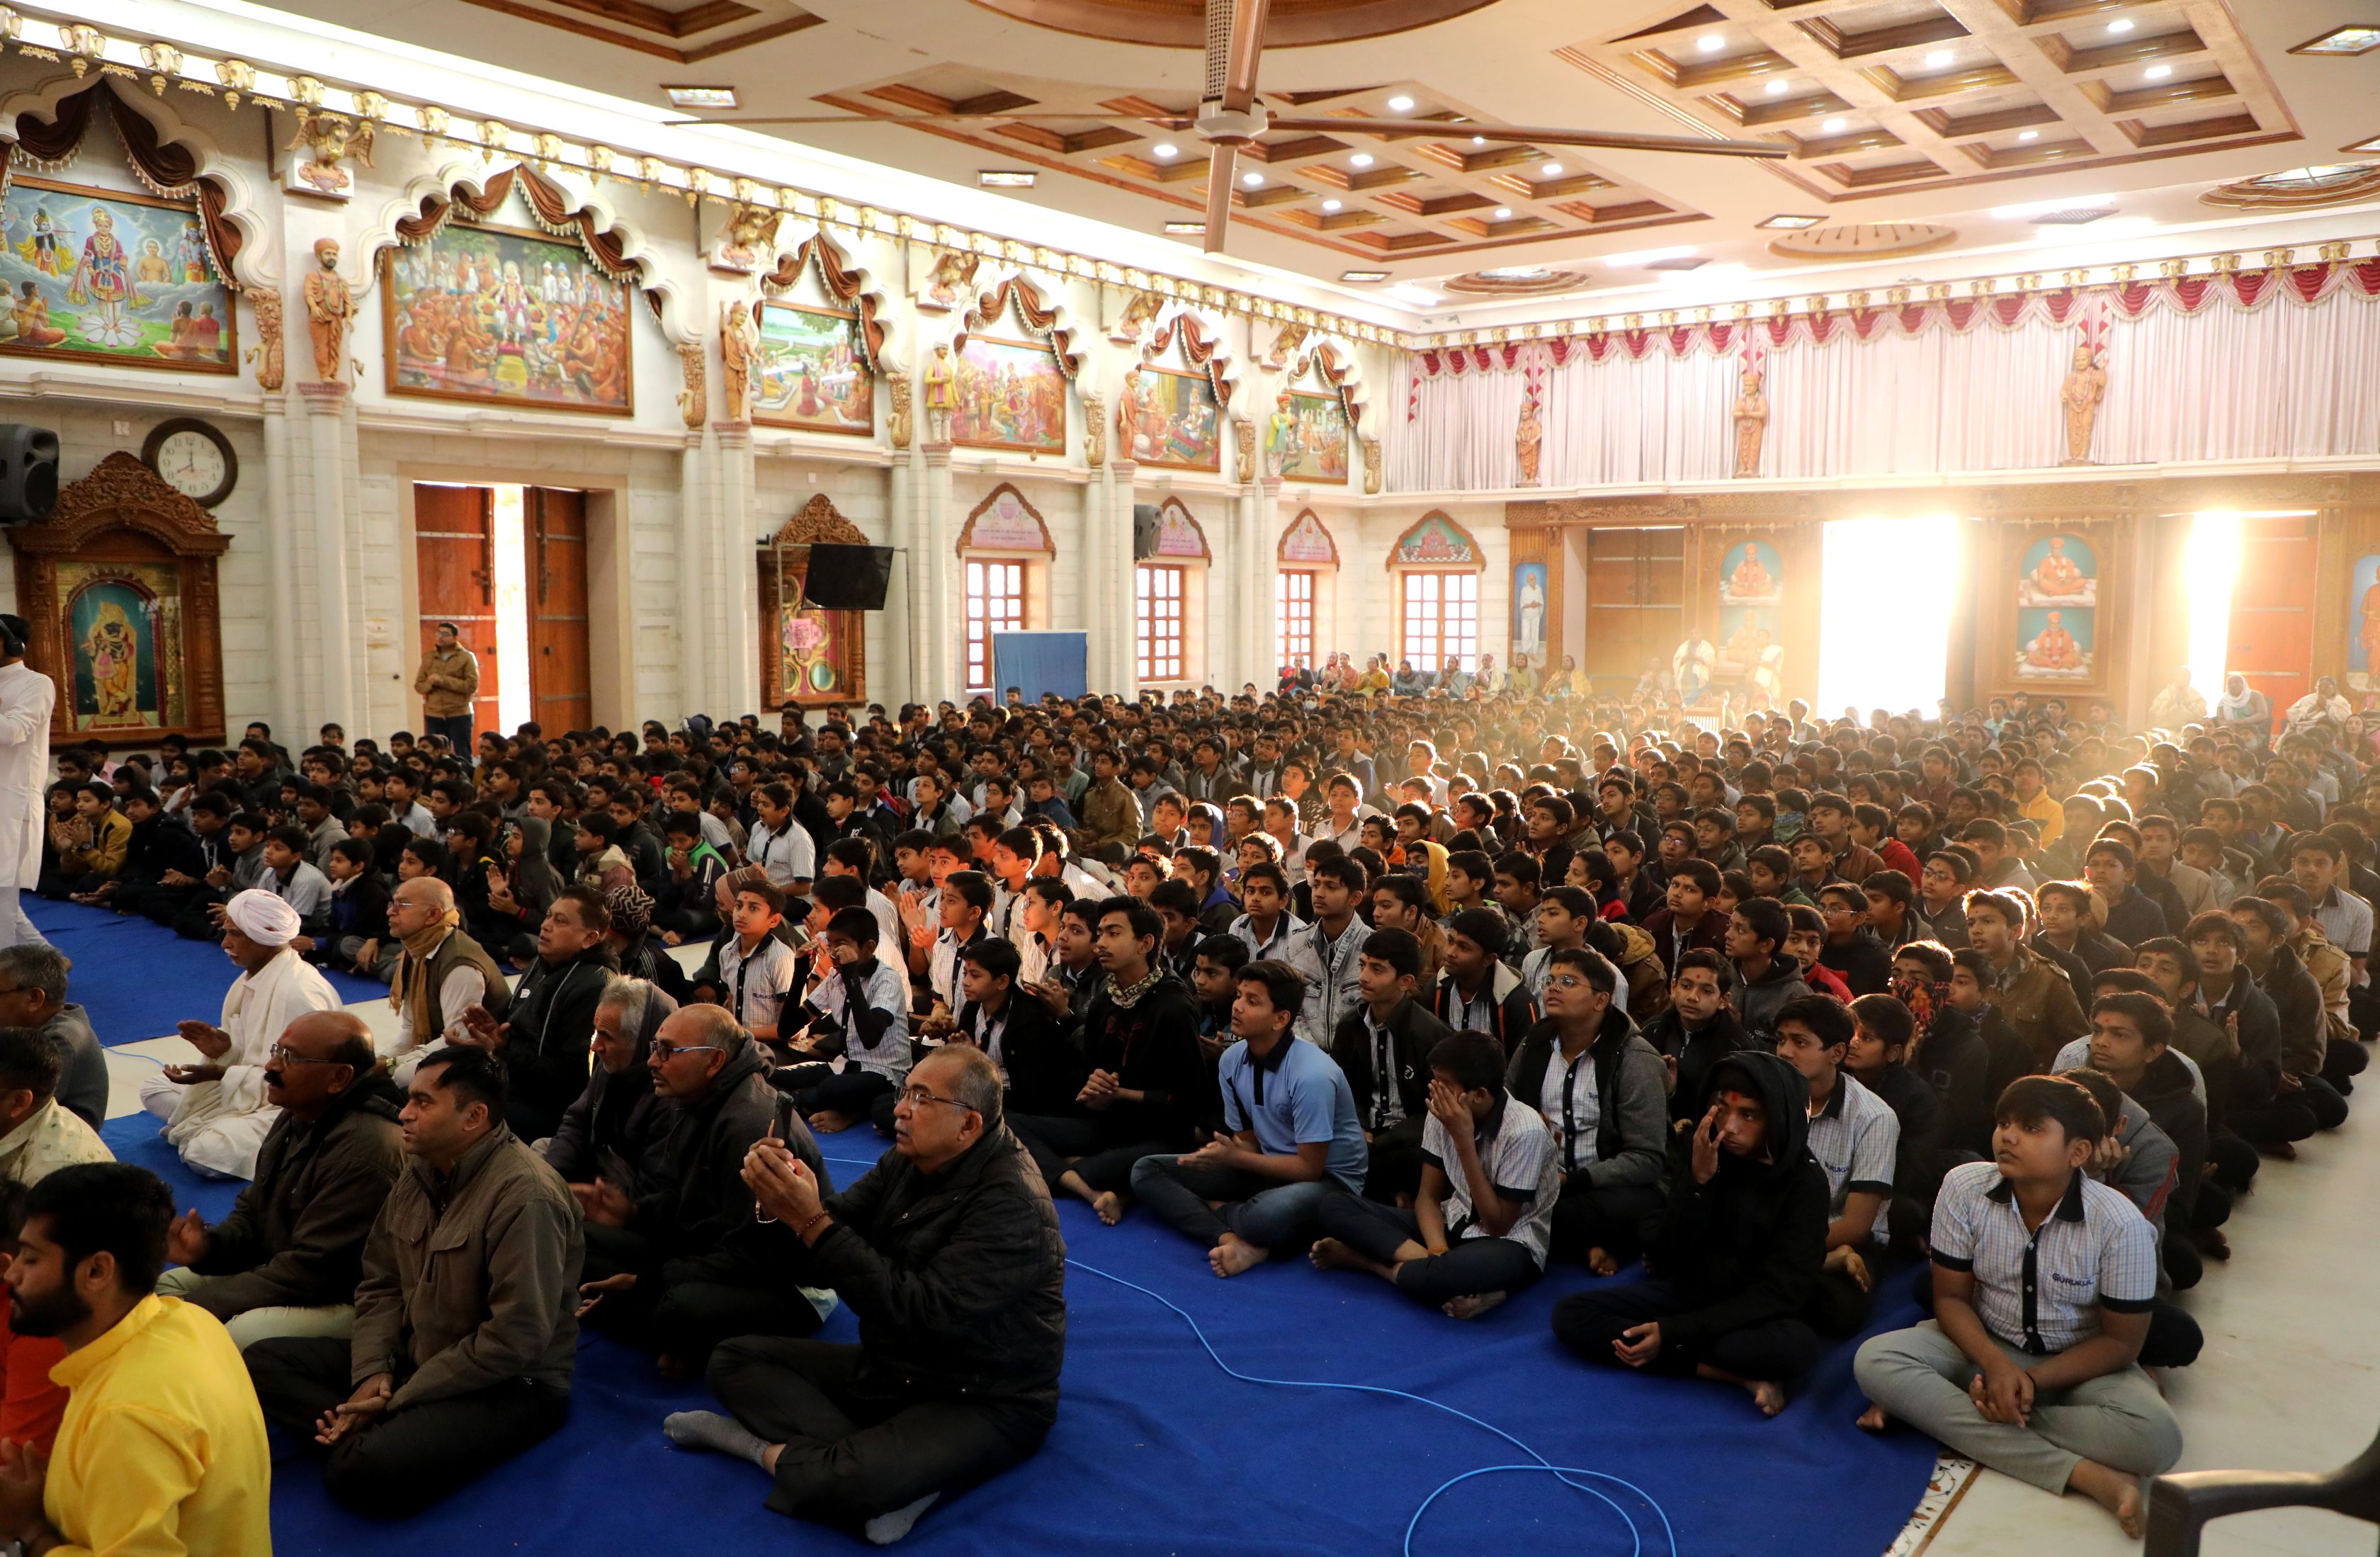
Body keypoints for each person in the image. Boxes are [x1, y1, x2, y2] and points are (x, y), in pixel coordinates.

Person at [669, 1046, 1064, 1546]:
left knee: (856, 1481)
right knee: (732, 1358)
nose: (900, 1108)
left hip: (983, 1392)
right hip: (897, 1364)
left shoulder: (1014, 1205)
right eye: (905, 1091)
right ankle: (887, 1471)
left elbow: (920, 1313)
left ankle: (756, 1449)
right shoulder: (909, 1160)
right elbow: (827, 1241)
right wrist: (785, 1202)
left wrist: (811, 1221)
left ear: (969, 1126)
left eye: (922, 1098)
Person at [245, 1044, 584, 1519]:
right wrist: (372, 1374)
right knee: (262, 1361)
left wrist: (399, 1398)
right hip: (413, 1355)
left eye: (423, 1103)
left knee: (359, 1474)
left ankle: (363, 1434)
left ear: (474, 1117)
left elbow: (515, 1340)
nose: (404, 1114)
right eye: (410, 1099)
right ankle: (364, 1428)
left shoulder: (526, 1198)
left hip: (508, 1384)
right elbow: (380, 1283)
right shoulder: (422, 1167)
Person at [1854, 1075, 2180, 1538]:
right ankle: (2087, 1475)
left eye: (2031, 1128)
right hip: (1982, 1343)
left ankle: (1962, 1405)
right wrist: (1995, 1364)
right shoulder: (1964, 1188)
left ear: (2079, 1152)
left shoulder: (2119, 1224)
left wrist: (2026, 1381)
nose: (2007, 1136)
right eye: (2004, 1123)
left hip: (2078, 1364)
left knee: (2158, 1438)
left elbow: (2121, 1342)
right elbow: (1949, 1298)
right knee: (1875, 1361)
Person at [0, 1162, 271, 1555]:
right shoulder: (188, 1319)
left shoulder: (127, 1417)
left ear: (96, 1271)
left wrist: (29, 1529)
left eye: (30, 1259)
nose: (12, 1277)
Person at [1551, 1051, 1827, 1417]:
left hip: (1749, 1311)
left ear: (1778, 1117)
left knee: (1796, 1349)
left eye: (1748, 1115)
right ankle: (1731, 1377)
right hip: (1690, 1291)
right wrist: (1697, 1183)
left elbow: (1779, 1293)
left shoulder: (1805, 1184)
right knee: (1571, 1314)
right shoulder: (1708, 1151)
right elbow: (1666, 1248)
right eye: (1722, 1110)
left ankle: (1670, 1351)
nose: (1729, 1127)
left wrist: (1673, 1332)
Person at [574, 1003, 803, 1374]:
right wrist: (632, 1213)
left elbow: (754, 1256)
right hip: (707, 1249)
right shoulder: (690, 1097)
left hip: (781, 1280)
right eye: (653, 1048)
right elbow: (681, 1198)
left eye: (667, 1051)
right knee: (579, 1240)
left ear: (713, 1061)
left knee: (678, 1310)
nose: (652, 1062)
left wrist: (644, 1281)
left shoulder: (751, 1123)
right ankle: (664, 1331)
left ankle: (680, 1336)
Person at [156, 1009, 402, 1349]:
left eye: (291, 1058)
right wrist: (209, 1247)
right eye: (276, 1051)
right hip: (287, 1269)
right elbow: (256, 1206)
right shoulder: (301, 1111)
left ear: (339, 1078)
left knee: (237, 1333)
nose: (272, 1066)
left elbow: (317, 1272)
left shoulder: (365, 1152)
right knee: (166, 1290)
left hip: (353, 1300)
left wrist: (206, 1305)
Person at [1130, 958, 1367, 1278]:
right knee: (1147, 1170)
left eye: (1252, 1001)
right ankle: (1232, 1239)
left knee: (1263, 1218)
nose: (1237, 1007)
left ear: (1281, 1018)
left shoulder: (1312, 1074)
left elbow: (1309, 1169)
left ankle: (1222, 1212)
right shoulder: (1231, 1060)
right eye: (1239, 996)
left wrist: (1236, 1159)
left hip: (1329, 1181)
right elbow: (1250, 1139)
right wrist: (1226, 1154)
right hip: (1269, 1166)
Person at [1310, 1031, 1559, 1319]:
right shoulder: (1441, 1111)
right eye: (1434, 1080)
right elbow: (1427, 1198)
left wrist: (1464, 1141)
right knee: (1333, 1206)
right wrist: (1437, 1250)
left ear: (1478, 1095)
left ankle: (1365, 1261)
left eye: (1444, 1084)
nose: (1434, 1091)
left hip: (1509, 1243)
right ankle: (1436, 1274)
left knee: (1454, 1272)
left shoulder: (1524, 1130)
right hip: (1451, 1222)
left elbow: (1498, 1224)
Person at [1011, 898, 1206, 1225]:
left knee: (1096, 1169)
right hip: (1110, 1123)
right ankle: (1082, 1181)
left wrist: (1121, 1095)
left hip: (1158, 1131)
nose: (1101, 943)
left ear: (1146, 943)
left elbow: (1190, 1101)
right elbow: (1093, 1067)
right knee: (1011, 1124)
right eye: (1099, 934)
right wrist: (1093, 1091)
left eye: (1113, 934)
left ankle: (1077, 1174)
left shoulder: (1172, 1007)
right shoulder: (1107, 998)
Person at [137, 888, 343, 1179]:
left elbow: (304, 1085)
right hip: (252, 1090)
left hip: (292, 1108)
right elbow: (249, 1056)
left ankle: (293, 1146)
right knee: (153, 1089)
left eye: (235, 934)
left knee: (206, 1153)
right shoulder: (255, 976)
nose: (224, 943)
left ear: (266, 934)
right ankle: (217, 1126)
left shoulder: (298, 993)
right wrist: (223, 1050)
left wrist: (219, 1074)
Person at [1507, 946, 1667, 1272]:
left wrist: (1573, 1181)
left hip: (1603, 1188)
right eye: (1551, 980)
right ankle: (1592, 1245)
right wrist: (1525, 1123)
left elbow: (1646, 1159)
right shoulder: (1534, 1044)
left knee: (1633, 1209)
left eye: (1568, 981)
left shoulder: (1635, 1059)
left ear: (1600, 1000)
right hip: (1538, 1178)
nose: (1552, 988)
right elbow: (1505, 1109)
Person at [458, 885, 615, 1140]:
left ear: (589, 938)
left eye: (560, 921)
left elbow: (573, 1077)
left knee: (456, 1119)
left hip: (550, 1108)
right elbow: (514, 1024)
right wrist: (495, 1036)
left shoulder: (596, 985)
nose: (546, 926)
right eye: (549, 916)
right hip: (512, 1081)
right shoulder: (541, 964)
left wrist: (502, 1051)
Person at [1332, 928, 1452, 1203]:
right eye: (1363, 965)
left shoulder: (1429, 1034)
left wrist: (1381, 1140)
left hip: (1410, 1141)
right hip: (1362, 1135)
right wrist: (1359, 1126)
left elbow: (1437, 1111)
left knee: (1408, 1161)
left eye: (1377, 969)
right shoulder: (1351, 1026)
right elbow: (1342, 1088)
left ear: (1405, 981)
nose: (1363, 977)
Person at [382, 873, 512, 1080]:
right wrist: (382, 1060)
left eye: (402, 905)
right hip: (443, 1047)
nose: (390, 911)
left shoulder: (460, 963)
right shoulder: (416, 951)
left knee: (400, 1076)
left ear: (433, 915)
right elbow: (410, 1026)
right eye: (392, 904)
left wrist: (392, 1065)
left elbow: (457, 1040)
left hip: (480, 1064)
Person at [0, 945, 103, 1132]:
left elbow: (15, 1112)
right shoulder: (48, 1019)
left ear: (34, 998)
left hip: (55, 1144)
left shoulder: (60, 1041)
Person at [0, 616, 54, 951]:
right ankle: (49, 961)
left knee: (3, 898)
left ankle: (8, 981)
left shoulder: (37, 683)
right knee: (3, 901)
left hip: (11, 806)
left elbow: (12, 731)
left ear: (10, 644)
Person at [412, 620, 480, 757]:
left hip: (459, 713)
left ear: (455, 638)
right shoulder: (429, 658)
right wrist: (430, 684)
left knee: (463, 753)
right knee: (435, 753)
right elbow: (419, 686)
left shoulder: (466, 657)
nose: (440, 637)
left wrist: (444, 681)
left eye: (445, 634)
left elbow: (471, 686)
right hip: (434, 714)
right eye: (438, 633)